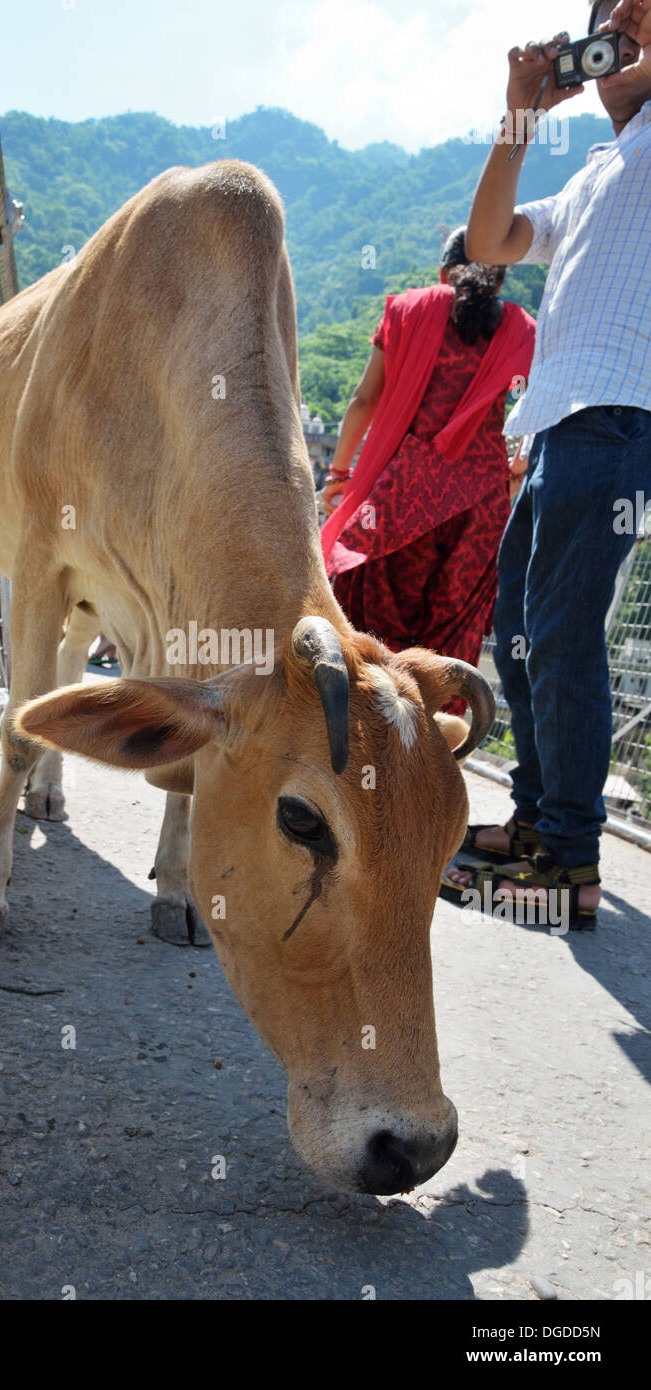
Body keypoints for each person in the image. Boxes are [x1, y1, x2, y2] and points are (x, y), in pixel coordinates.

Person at [445, 0, 651, 931]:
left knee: (564, 633)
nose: (625, 16)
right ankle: (537, 823)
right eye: (610, 12)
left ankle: (567, 862)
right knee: (524, 628)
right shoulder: (598, 170)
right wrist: (521, 111)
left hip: (619, 418)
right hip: (558, 425)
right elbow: (486, 243)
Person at [321, 231, 535, 713]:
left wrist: (341, 473)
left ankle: (358, 729)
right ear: (499, 277)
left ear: (444, 273)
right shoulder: (523, 329)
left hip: (407, 495)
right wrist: (516, 466)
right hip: (482, 504)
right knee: (451, 632)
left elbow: (364, 400)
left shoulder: (410, 310)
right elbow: (532, 414)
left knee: (367, 620)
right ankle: (430, 741)